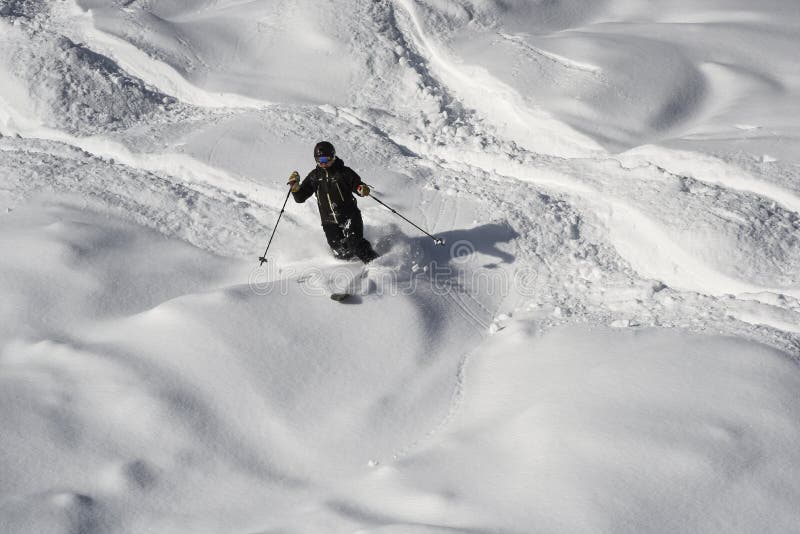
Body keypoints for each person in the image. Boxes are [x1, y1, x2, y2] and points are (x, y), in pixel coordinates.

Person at [288, 141, 379, 263]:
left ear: (332, 156)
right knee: (341, 252)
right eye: (319, 160)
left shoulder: (343, 172)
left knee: (354, 242)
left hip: (349, 216)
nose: (322, 163)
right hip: (329, 221)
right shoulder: (314, 177)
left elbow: (356, 184)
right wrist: (295, 187)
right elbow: (300, 198)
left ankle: (376, 263)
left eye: (325, 159)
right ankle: (353, 265)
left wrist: (361, 189)